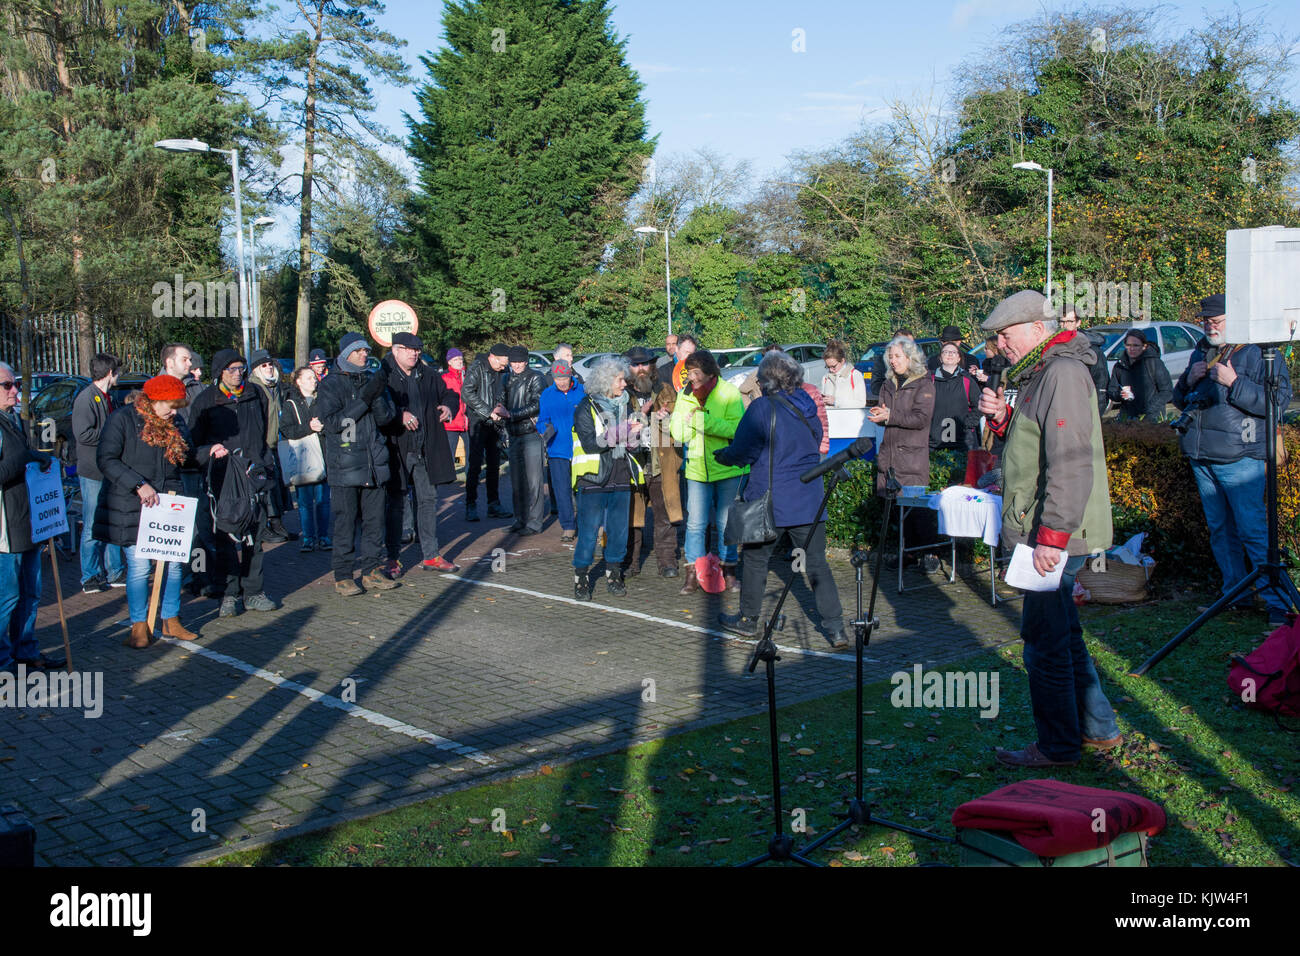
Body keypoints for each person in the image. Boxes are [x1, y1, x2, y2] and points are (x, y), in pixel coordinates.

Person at [977, 289, 1121, 768]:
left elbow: (1070, 462)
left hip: (1054, 533)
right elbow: (1039, 439)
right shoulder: (1049, 368)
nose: (1000, 344)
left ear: (1039, 329)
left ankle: (1057, 747)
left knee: (1042, 645)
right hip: (1050, 528)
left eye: (1006, 334)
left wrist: (1051, 539)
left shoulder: (1060, 371)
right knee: (1064, 634)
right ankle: (1098, 729)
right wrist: (1003, 422)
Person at [1173, 293, 1293, 629]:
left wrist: (1235, 383)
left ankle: (1280, 604)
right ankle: (1235, 595)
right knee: (1221, 531)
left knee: (1253, 531)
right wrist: (1187, 380)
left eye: (1217, 321)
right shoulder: (1202, 349)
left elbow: (1279, 403)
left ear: (1236, 319)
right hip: (1201, 455)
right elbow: (1180, 399)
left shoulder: (1259, 352)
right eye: (1206, 321)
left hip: (1241, 457)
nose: (1210, 326)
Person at [715, 352, 847, 647]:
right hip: (809, 497)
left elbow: (743, 450)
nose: (758, 385)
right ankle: (836, 628)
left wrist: (725, 456)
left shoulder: (761, 407)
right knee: (816, 564)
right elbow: (814, 443)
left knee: (756, 560)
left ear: (768, 381)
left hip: (770, 500)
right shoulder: (806, 405)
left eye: (760, 380)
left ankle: (748, 620)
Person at [95, 375, 201, 648]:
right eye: (171, 405)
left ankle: (171, 619)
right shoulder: (122, 419)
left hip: (168, 502)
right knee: (140, 568)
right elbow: (106, 459)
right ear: (154, 400)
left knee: (175, 566)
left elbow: (186, 458)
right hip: (132, 504)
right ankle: (139, 625)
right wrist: (138, 484)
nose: (175, 411)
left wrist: (209, 451)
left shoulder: (175, 422)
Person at [188, 349, 278, 617]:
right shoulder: (206, 401)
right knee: (225, 535)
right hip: (223, 477)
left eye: (241, 368)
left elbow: (264, 432)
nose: (238, 374)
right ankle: (229, 593)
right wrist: (210, 452)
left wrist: (263, 462)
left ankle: (254, 592)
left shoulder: (254, 394)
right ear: (220, 372)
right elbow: (195, 443)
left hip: (253, 473)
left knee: (255, 536)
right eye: (232, 370)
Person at [316, 331, 399, 595]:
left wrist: (376, 395)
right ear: (345, 355)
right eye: (359, 350)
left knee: (375, 523)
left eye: (366, 350)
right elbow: (334, 424)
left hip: (374, 463)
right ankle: (343, 575)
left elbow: (386, 419)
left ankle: (372, 571)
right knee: (346, 523)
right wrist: (364, 399)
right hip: (345, 466)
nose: (365, 354)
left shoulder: (370, 380)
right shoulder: (331, 384)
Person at [0, 361, 63, 671]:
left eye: (16, 385)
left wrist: (40, 460)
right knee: (7, 598)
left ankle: (25, 650)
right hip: (4, 530)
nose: (15, 391)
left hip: (28, 523)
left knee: (31, 593)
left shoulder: (13, 420)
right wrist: (25, 457)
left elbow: (21, 460)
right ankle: (2, 660)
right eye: (7, 386)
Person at [382, 332, 461, 571]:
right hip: (397, 449)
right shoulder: (384, 376)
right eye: (409, 349)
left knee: (427, 501)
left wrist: (448, 406)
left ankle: (431, 555)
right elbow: (377, 406)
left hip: (426, 450)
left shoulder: (427, 374)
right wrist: (399, 414)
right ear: (396, 350)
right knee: (396, 503)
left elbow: (450, 393)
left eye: (417, 349)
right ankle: (392, 558)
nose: (414, 353)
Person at [669, 349, 747, 593]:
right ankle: (692, 573)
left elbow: (736, 430)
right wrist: (693, 424)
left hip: (727, 468)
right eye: (688, 373)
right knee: (695, 524)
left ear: (709, 372)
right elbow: (677, 432)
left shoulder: (729, 393)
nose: (690, 378)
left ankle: (729, 571)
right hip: (696, 471)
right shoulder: (684, 395)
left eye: (695, 373)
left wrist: (700, 421)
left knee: (726, 523)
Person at [570, 357, 645, 600]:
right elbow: (591, 444)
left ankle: (614, 574)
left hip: (621, 475)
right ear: (606, 381)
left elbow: (630, 443)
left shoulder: (626, 404)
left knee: (619, 531)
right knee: (589, 532)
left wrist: (635, 437)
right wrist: (622, 431)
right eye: (620, 379)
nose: (624, 384)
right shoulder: (585, 407)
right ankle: (581, 576)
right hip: (593, 479)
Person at [71, 352, 126, 593]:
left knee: (112, 520)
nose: (119, 376)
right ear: (110, 373)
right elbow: (82, 434)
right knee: (93, 522)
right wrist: (110, 436)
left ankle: (115, 570)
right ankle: (90, 576)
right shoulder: (86, 399)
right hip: (93, 471)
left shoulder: (106, 397)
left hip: (107, 469)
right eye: (118, 372)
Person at [161, 342, 210, 594]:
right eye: (185, 359)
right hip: (169, 474)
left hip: (193, 466)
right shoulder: (157, 391)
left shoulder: (194, 387)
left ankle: (196, 576)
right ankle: (175, 583)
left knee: (198, 524)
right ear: (170, 362)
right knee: (176, 530)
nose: (191, 364)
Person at [739, 345, 830, 454]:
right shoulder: (755, 378)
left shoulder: (802, 390)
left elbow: (819, 423)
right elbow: (742, 391)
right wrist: (749, 406)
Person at [280, 367, 332, 552]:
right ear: (298, 381)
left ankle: (324, 536)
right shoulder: (290, 404)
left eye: (314, 377)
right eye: (309, 378)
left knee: (323, 500)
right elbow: (286, 430)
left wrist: (323, 428)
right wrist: (309, 427)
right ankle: (309, 538)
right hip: (303, 459)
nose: (314, 380)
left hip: (323, 457)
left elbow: (333, 424)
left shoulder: (323, 401)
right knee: (304, 501)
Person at [460, 343, 513, 522]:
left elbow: (504, 392)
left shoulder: (503, 372)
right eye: (502, 363)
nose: (504, 367)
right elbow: (466, 393)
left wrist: (500, 407)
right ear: (492, 357)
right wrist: (487, 411)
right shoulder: (477, 367)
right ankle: (470, 504)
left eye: (506, 364)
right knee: (475, 464)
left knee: (494, 464)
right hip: (479, 421)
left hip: (496, 423)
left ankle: (494, 503)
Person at [537, 360, 586, 542]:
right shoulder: (547, 395)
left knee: (583, 488)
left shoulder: (582, 391)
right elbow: (542, 420)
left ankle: (586, 523)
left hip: (581, 449)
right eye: (558, 379)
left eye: (564, 377)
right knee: (561, 489)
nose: (562, 382)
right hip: (557, 449)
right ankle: (568, 526)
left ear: (570, 374)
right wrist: (544, 429)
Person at [248, 349, 294, 543]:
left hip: (277, 444)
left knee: (277, 486)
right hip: (261, 444)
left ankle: (277, 523)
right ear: (256, 369)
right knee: (265, 486)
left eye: (270, 364)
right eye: (263, 365)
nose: (268, 368)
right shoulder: (254, 387)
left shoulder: (276, 386)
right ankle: (267, 525)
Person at [503, 345, 547, 535]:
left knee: (534, 480)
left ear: (526, 360)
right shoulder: (506, 377)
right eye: (514, 361)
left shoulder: (536, 377)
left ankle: (535, 522)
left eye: (520, 361)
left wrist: (510, 414)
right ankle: (520, 518)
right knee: (516, 481)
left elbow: (537, 404)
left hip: (530, 434)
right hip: (513, 434)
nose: (517, 365)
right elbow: (501, 400)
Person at [1107, 328, 1171, 421]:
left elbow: (1167, 391)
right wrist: (1120, 395)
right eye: (1128, 345)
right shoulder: (1120, 366)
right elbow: (1111, 391)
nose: (1131, 349)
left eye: (1136, 345)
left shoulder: (1154, 363)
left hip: (1151, 419)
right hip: (1127, 419)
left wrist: (1150, 408)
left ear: (1144, 346)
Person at [929, 340, 979, 453]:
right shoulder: (929, 380)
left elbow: (979, 405)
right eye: (945, 352)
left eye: (953, 352)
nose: (950, 354)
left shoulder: (966, 380)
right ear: (940, 358)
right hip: (934, 442)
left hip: (963, 442)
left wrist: (968, 424)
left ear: (959, 358)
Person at [1060, 309, 1110, 419]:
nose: (1065, 325)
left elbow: (1101, 385)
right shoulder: (1053, 348)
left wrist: (1094, 415)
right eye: (1062, 321)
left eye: (1069, 321)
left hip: (1084, 410)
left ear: (1078, 323)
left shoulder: (1092, 350)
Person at [821, 339, 867, 409]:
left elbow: (861, 403)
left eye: (833, 366)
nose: (830, 370)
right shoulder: (825, 378)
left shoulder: (855, 375)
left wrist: (836, 402)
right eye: (828, 367)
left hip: (848, 418)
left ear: (842, 361)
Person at [441, 348, 468, 466]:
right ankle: (448, 479)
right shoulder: (444, 377)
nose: (459, 362)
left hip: (467, 421)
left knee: (471, 453)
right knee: (449, 452)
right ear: (449, 362)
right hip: (451, 422)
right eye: (456, 359)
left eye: (460, 359)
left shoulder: (467, 376)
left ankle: (471, 478)